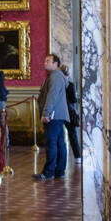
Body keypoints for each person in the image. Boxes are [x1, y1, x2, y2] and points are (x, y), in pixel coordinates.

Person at [35, 52, 70, 180]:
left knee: (51, 143)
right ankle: (59, 170)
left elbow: (52, 97)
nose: (45, 63)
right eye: (45, 61)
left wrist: (46, 113)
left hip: (53, 115)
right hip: (58, 115)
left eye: (48, 61)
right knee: (60, 142)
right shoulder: (56, 76)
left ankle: (49, 172)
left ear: (55, 64)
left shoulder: (55, 77)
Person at [60, 63, 82, 162]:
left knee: (59, 136)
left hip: (59, 111)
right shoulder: (71, 85)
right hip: (69, 111)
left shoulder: (57, 84)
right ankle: (77, 157)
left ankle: (60, 159)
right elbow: (73, 100)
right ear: (68, 74)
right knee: (73, 135)